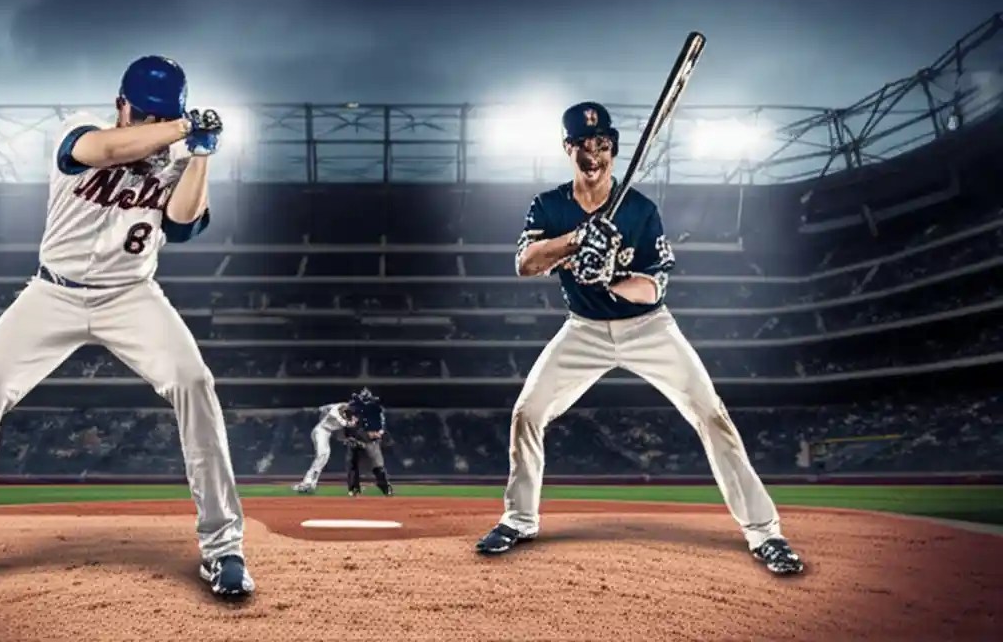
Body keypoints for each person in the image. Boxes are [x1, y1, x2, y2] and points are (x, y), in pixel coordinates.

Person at [0, 55, 255, 600]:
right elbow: (108, 151)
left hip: (132, 296)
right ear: (122, 106)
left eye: (165, 116)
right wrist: (185, 127)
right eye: (146, 116)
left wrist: (200, 156)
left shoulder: (177, 155)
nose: (153, 128)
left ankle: (223, 547)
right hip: (52, 294)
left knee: (195, 385)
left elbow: (182, 226)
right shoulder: (79, 129)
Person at [474, 102, 805, 576]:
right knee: (528, 412)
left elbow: (654, 286)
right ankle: (519, 519)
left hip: (649, 327)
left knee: (712, 415)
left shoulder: (641, 210)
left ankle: (765, 534)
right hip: (583, 329)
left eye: (603, 145)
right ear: (568, 149)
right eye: (583, 146)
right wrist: (576, 240)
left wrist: (608, 277)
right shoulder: (549, 205)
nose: (594, 155)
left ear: (613, 149)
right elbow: (525, 263)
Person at [291, 397, 360, 494]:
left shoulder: (349, 414)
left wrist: (347, 438)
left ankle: (311, 484)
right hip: (320, 431)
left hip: (327, 434)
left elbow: (339, 434)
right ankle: (306, 483)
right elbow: (334, 414)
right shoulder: (339, 407)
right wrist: (348, 423)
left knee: (323, 459)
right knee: (321, 455)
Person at [342, 388, 393, 497]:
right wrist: (349, 437)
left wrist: (379, 433)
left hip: (371, 440)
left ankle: (385, 488)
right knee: (352, 464)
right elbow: (347, 424)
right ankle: (354, 489)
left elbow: (382, 424)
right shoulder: (352, 408)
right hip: (356, 438)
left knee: (378, 465)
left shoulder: (376, 409)